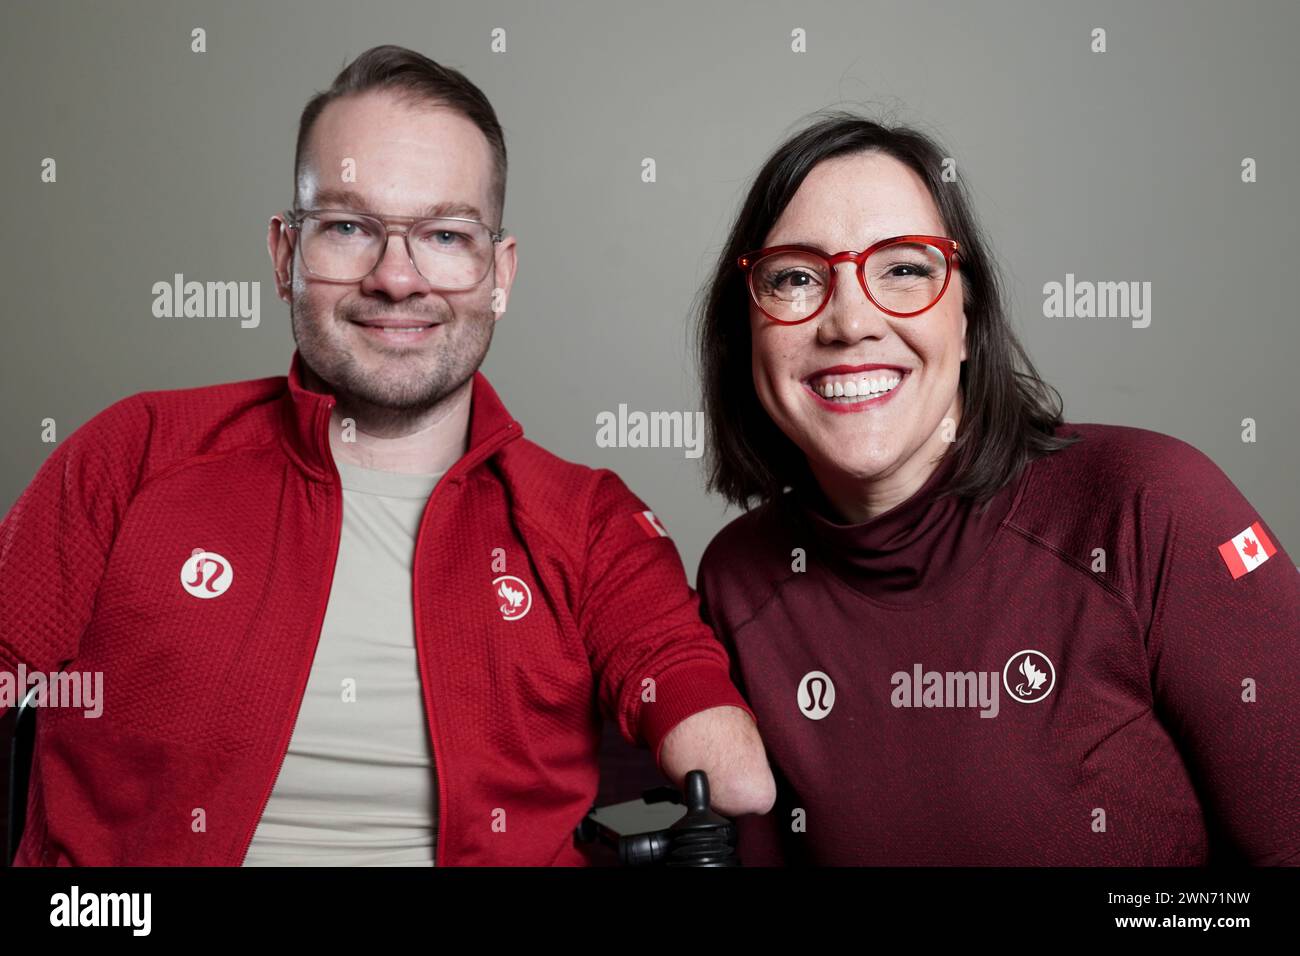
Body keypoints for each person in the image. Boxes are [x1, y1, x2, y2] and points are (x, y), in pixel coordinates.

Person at [0, 44, 774, 867]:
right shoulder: (136, 452)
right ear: (285, 255)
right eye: (346, 227)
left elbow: (733, 778)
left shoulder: (587, 521)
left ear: (499, 275)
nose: (397, 279)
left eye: (445, 233)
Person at [694, 111, 1299, 866]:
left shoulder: (1151, 507)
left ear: (969, 314)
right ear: (746, 324)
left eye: (905, 268)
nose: (850, 321)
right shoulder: (737, 579)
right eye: (794, 277)